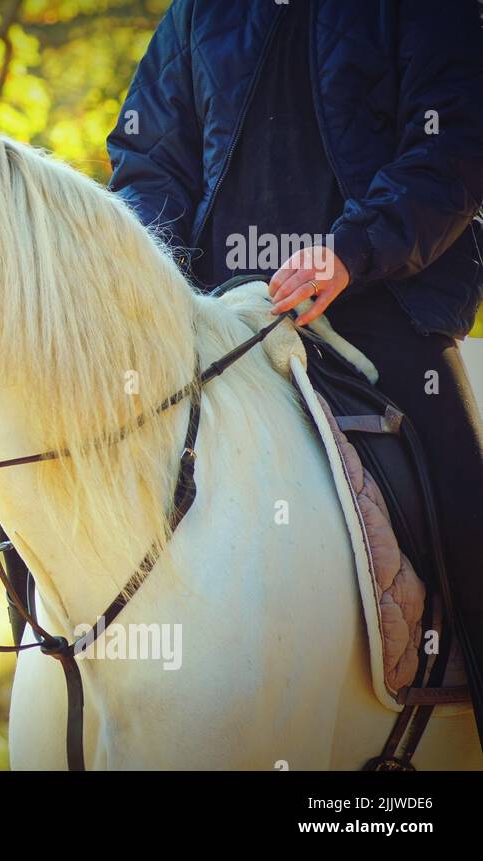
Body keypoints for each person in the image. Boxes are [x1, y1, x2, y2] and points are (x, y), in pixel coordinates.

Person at [106, 0, 483, 746]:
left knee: (471, 514)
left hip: (385, 308)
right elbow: (149, 161)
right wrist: (154, 281)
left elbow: (455, 148)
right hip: (219, 320)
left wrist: (351, 249)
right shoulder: (194, 15)